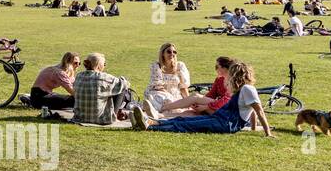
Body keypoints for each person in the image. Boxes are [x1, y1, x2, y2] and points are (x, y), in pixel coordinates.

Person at [133, 60, 274, 137]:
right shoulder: (242, 90)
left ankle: (150, 126)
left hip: (225, 124)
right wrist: (254, 129)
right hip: (220, 119)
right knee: (183, 120)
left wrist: (267, 133)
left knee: (187, 125)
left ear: (236, 76)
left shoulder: (248, 89)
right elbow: (253, 112)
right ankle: (150, 121)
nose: (228, 77)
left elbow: (258, 111)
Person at [72, 53, 133, 125]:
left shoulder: (79, 75)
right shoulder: (103, 77)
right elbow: (125, 84)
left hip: (79, 117)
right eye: (104, 64)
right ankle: (115, 116)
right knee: (121, 89)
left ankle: (117, 114)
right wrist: (123, 79)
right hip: (100, 119)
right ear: (99, 65)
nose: (104, 66)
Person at [142, 43, 191, 118]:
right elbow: (158, 86)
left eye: (174, 52)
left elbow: (183, 87)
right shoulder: (156, 65)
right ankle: (157, 111)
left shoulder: (180, 66)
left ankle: (157, 113)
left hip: (175, 95)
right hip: (158, 92)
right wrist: (169, 97)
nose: (172, 54)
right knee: (163, 99)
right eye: (169, 52)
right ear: (162, 54)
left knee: (177, 106)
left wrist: (188, 102)